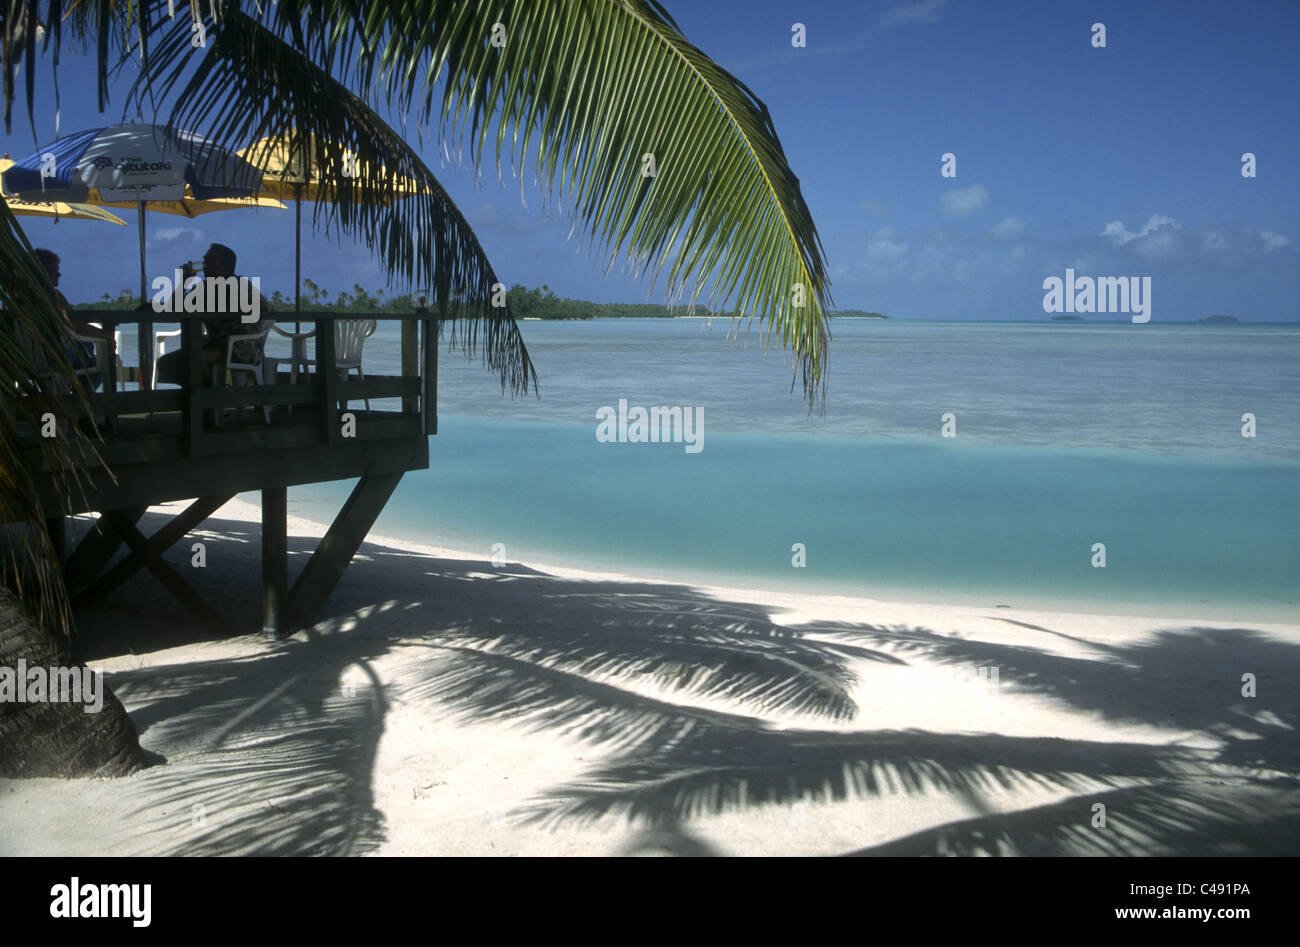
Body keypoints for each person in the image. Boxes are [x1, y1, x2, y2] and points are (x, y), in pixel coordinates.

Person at [155, 243, 274, 388]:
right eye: (204, 260)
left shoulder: (242, 287)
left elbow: (265, 312)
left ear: (224, 267)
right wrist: (184, 283)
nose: (204, 264)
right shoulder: (204, 288)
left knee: (193, 360)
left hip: (241, 346)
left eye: (209, 260)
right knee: (166, 363)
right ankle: (209, 397)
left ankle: (210, 400)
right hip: (215, 344)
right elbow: (173, 308)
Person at [33, 248, 116, 392]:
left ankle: (77, 401)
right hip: (54, 359)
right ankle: (87, 404)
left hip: (32, 358)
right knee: (95, 361)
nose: (59, 274)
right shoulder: (52, 297)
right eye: (55, 270)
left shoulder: (18, 299)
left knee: (88, 355)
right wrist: (107, 336)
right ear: (42, 271)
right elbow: (74, 326)